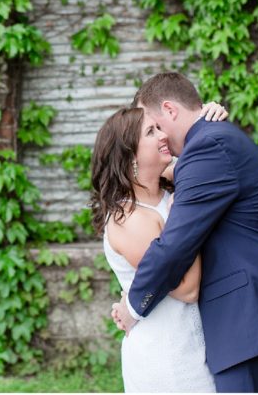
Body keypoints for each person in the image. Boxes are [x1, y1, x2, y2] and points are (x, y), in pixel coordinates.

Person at [110, 72, 258, 392]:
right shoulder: (211, 142)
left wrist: (132, 308)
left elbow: (173, 247)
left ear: (171, 110)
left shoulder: (208, 147)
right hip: (252, 320)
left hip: (250, 320)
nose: (158, 136)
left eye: (156, 125)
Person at [91, 102, 228, 392]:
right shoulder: (130, 220)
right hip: (167, 357)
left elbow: (202, 158)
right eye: (151, 132)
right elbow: (187, 290)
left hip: (198, 344)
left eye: (159, 127)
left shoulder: (167, 192)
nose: (163, 135)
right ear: (131, 158)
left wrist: (208, 115)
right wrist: (185, 210)